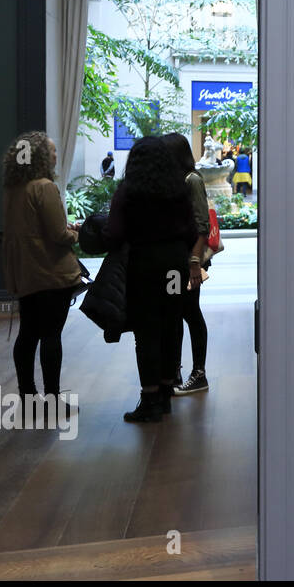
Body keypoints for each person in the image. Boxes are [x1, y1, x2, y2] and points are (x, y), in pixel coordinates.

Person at [103, 136, 200, 422]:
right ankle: (168, 389)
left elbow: (115, 234)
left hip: (144, 265)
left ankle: (150, 398)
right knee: (171, 323)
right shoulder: (177, 190)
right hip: (173, 264)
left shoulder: (128, 192)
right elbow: (192, 232)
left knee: (147, 330)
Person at [1, 131, 81, 405]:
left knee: (27, 335)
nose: (56, 155)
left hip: (25, 273)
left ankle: (28, 398)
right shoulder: (44, 186)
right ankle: (53, 400)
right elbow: (59, 235)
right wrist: (75, 234)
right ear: (40, 157)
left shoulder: (14, 189)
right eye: (52, 151)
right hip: (50, 273)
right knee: (50, 335)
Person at [163, 134, 211, 396]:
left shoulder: (192, 180)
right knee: (179, 312)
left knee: (191, 312)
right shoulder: (175, 181)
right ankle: (177, 371)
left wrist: (194, 263)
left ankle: (199, 373)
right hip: (178, 260)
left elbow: (202, 224)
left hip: (190, 260)